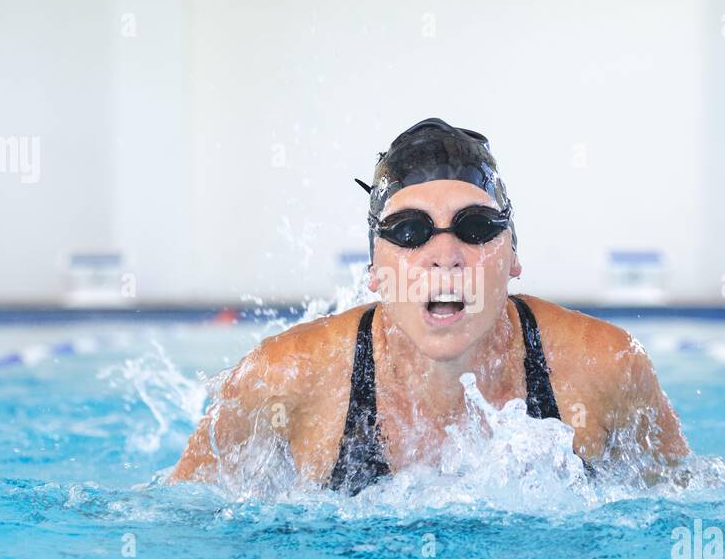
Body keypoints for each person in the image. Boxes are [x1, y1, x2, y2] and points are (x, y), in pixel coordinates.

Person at [171, 118, 688, 493]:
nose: (445, 256)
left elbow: (684, 509)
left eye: (476, 227)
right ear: (375, 270)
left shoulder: (605, 366)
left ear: (513, 257)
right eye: (410, 232)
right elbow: (183, 521)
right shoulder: (286, 377)